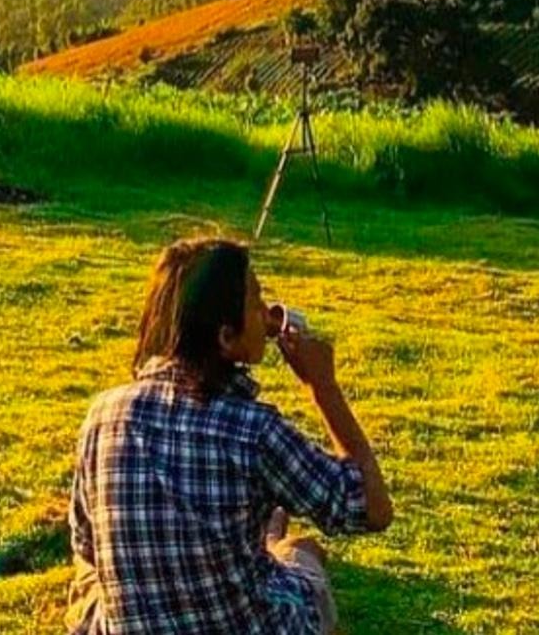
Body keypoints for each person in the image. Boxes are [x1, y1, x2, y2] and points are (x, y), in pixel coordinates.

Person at [67, 236, 394, 634]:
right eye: (255, 301)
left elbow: (86, 547)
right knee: (305, 556)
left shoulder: (102, 414)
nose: (267, 313)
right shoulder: (254, 431)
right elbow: (372, 509)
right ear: (225, 337)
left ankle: (266, 540)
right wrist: (324, 387)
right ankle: (275, 545)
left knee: (89, 584)